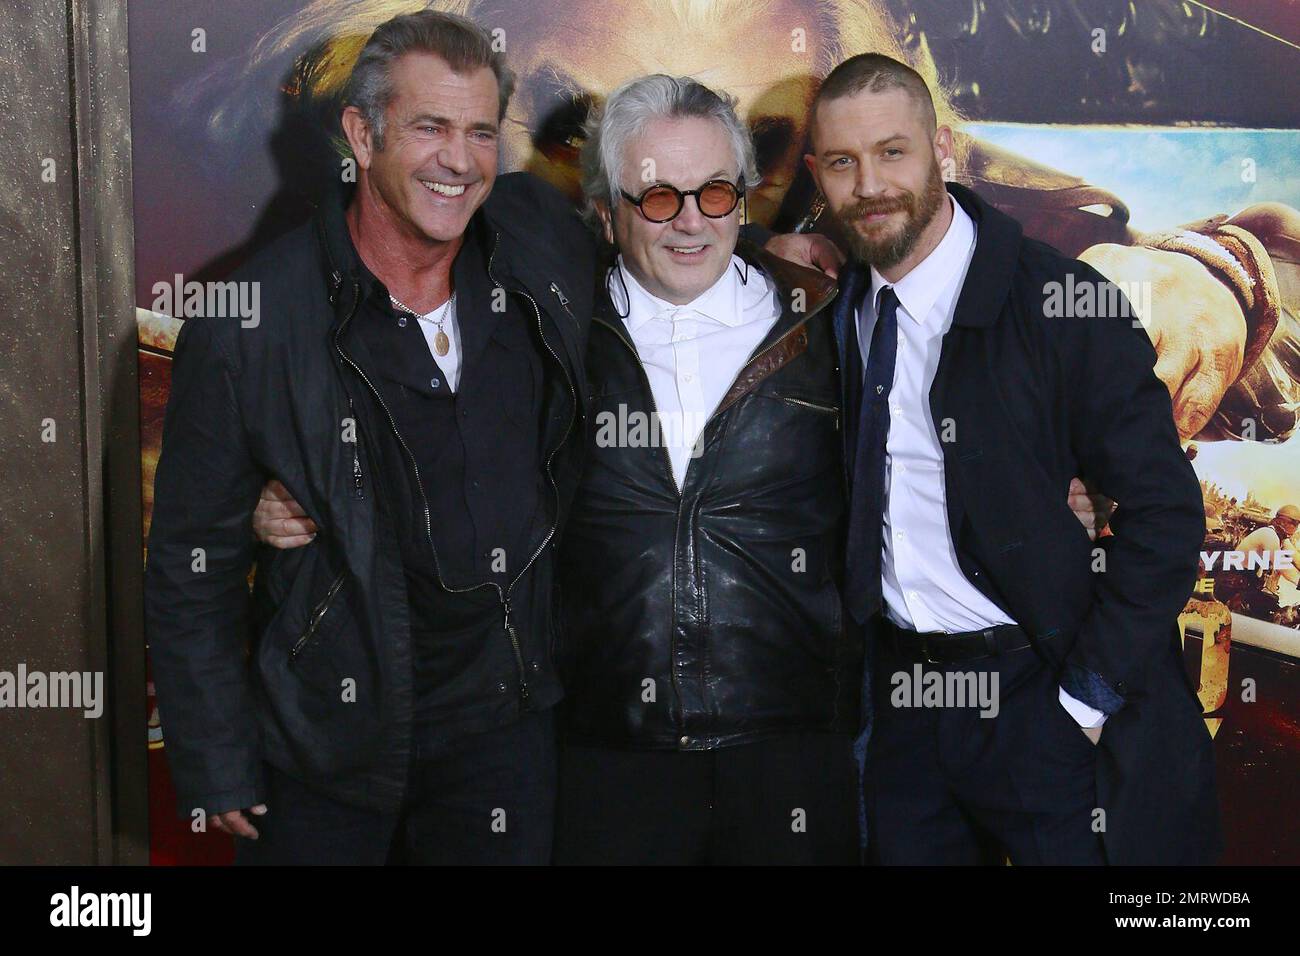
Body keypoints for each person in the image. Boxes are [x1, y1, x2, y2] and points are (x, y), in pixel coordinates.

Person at [144, 10, 594, 865]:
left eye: (478, 132)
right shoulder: (254, 318)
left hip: (507, 733)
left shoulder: (538, 240)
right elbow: (189, 560)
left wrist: (782, 252)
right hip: (328, 743)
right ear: (362, 132)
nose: (459, 161)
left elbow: (664, 244)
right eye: (429, 128)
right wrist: (216, 754)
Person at [807, 53, 1220, 864]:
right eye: (844, 163)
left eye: (894, 152)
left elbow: (1167, 516)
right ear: (819, 176)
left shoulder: (1061, 302)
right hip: (907, 712)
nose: (871, 185)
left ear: (944, 150)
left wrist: (1082, 702)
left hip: (1041, 700)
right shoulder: (844, 304)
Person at [548, 74, 859, 864]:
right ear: (607, 209)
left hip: (789, 751)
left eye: (715, 193)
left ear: (747, 197)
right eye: (657, 198)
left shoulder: (830, 326)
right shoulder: (549, 338)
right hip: (605, 753)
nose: (690, 221)